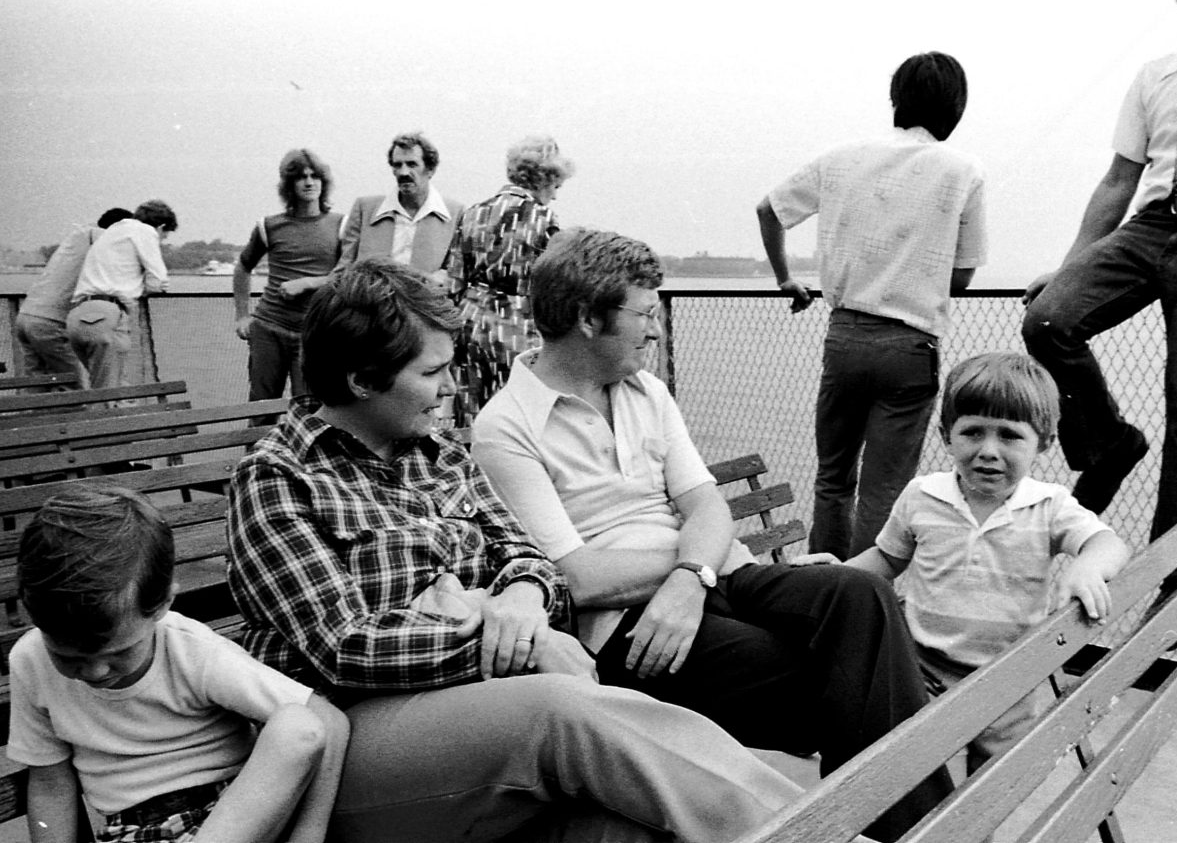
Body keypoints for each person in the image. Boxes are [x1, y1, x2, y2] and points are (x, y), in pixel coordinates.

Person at [225, 258, 813, 843]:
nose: (451, 388)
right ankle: (822, 831)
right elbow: (346, 646)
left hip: (485, 718)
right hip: (355, 743)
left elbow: (532, 562)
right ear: (361, 380)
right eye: (433, 373)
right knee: (562, 710)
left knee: (628, 829)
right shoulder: (277, 478)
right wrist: (521, 642)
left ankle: (831, 815)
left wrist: (522, 598)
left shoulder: (443, 454)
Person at [470, 228, 952, 843]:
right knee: (845, 678)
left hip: (705, 579)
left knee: (860, 597)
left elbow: (707, 505)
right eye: (644, 313)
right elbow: (578, 576)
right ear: (589, 319)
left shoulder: (647, 392)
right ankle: (935, 829)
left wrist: (691, 576)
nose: (655, 328)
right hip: (631, 629)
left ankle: (907, 830)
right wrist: (693, 565)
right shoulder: (506, 428)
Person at [809, 353, 1130, 774]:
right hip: (918, 670)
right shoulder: (922, 495)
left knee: (991, 790)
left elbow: (1109, 543)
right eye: (973, 432)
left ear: (1045, 441)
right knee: (906, 774)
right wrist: (835, 576)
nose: (988, 452)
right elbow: (886, 559)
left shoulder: (1049, 505)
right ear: (947, 436)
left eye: (1010, 436)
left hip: (1010, 682)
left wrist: (1087, 565)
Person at [1022, 0, 1177, 594]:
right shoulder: (1156, 75)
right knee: (1048, 319)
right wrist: (1071, 267)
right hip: (1151, 226)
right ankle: (1110, 442)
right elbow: (1120, 177)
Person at [7, 483, 348, 843]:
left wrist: (309, 833)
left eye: (119, 653)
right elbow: (49, 784)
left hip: (238, 815)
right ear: (32, 614)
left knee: (297, 724)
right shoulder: (30, 662)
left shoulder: (192, 652)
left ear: (164, 604)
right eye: (68, 657)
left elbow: (329, 723)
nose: (94, 672)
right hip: (139, 833)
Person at [757, 51, 988, 561]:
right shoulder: (962, 171)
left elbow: (769, 209)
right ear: (956, 106)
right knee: (885, 491)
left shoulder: (842, 157)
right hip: (908, 345)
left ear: (896, 100)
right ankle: (865, 600)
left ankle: (820, 588)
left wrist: (785, 279)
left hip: (844, 337)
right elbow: (964, 274)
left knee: (833, 478)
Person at [445, 135, 576, 424]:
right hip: (518, 328)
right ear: (544, 178)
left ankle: (469, 467)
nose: (554, 195)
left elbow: (453, 283)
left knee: (470, 415)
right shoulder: (544, 219)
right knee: (515, 417)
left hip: (470, 327)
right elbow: (555, 288)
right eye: (556, 186)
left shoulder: (473, 213)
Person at [232, 149, 342, 402]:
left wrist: (308, 283)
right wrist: (241, 316)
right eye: (301, 177)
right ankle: (256, 444)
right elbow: (242, 267)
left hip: (314, 332)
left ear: (324, 182)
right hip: (269, 327)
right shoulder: (268, 226)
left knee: (308, 408)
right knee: (261, 406)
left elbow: (349, 274)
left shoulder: (341, 225)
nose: (309, 182)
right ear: (289, 184)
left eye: (315, 176)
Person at [66, 200, 177, 390]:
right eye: (164, 236)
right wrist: (143, 289)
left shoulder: (112, 232)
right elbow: (158, 282)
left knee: (102, 386)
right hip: (106, 315)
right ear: (161, 227)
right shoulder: (145, 231)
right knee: (110, 393)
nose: (161, 241)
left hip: (77, 316)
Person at [16, 207, 132, 386]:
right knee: (73, 386)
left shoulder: (78, 237)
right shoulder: (102, 238)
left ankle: (39, 413)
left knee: (38, 386)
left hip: (25, 316)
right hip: (51, 322)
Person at [331, 131, 462, 283]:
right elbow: (344, 268)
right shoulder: (365, 209)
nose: (403, 172)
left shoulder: (454, 213)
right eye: (397, 165)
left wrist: (437, 279)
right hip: (369, 302)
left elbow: (455, 272)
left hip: (423, 303)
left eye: (412, 164)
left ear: (430, 169)